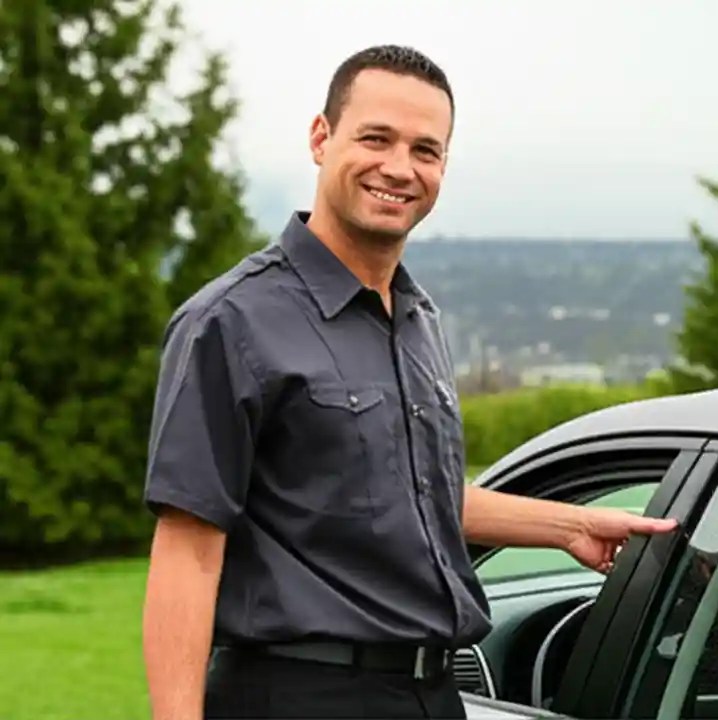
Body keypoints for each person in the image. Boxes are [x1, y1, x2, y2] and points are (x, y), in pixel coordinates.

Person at [139, 44, 677, 720]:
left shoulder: (417, 319)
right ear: (320, 138)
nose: (399, 168)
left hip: (431, 695)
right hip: (299, 697)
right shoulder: (232, 322)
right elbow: (187, 555)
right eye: (376, 139)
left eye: (426, 150)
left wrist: (567, 524)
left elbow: (409, 496)